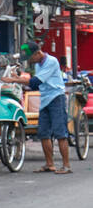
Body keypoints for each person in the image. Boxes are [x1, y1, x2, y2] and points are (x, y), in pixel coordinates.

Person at [6, 41, 71, 174]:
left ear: (38, 53)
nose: (30, 60)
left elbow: (36, 81)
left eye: (31, 57)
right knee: (43, 133)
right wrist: (19, 79)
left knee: (60, 133)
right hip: (45, 99)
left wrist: (15, 80)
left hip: (56, 98)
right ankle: (49, 164)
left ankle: (66, 165)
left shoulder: (51, 62)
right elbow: (35, 86)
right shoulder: (38, 65)